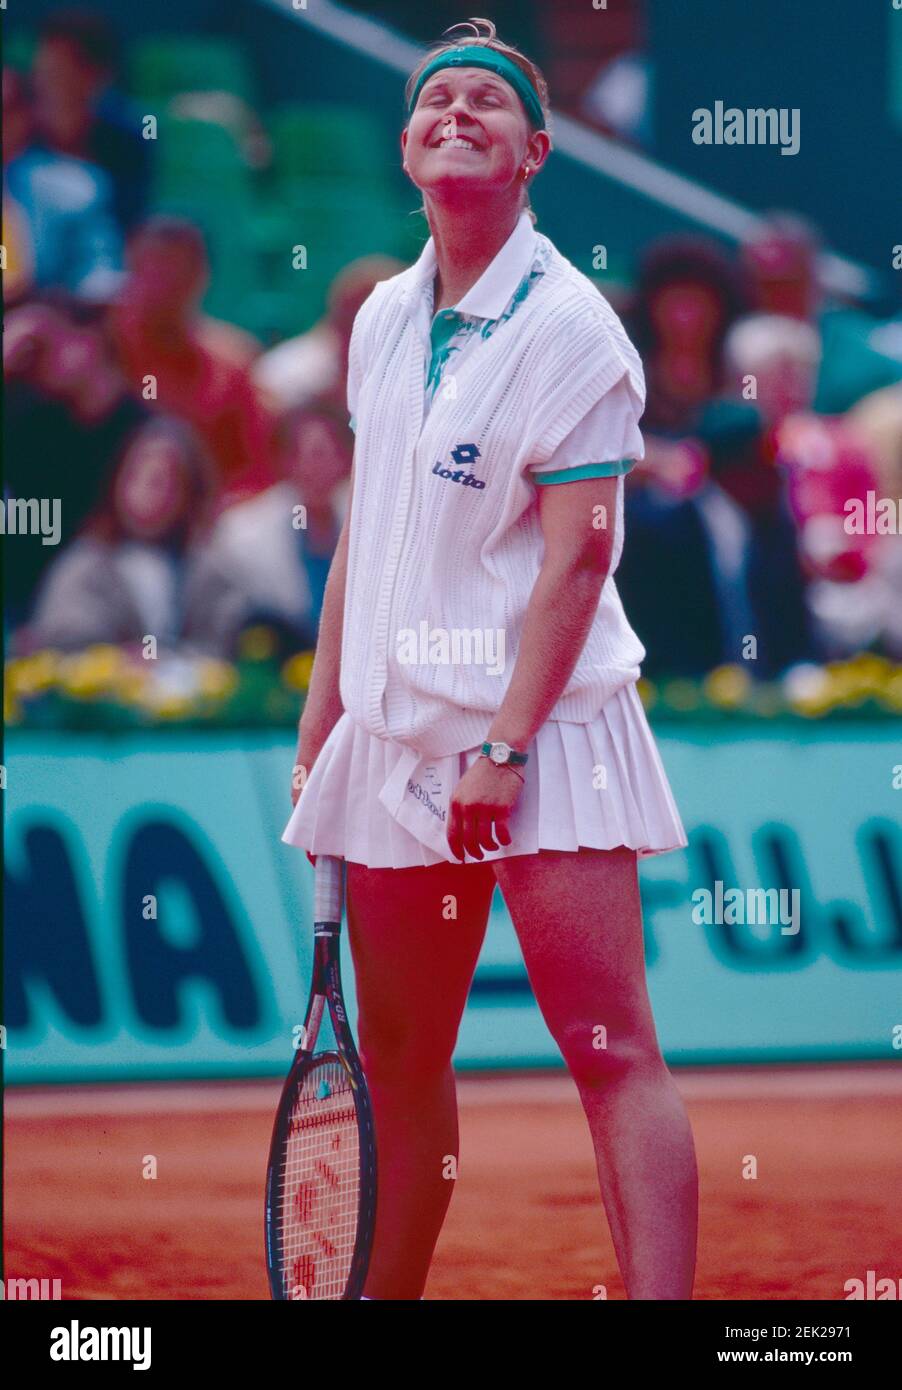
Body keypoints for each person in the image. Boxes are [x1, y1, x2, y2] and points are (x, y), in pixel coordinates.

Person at [281, 18, 696, 1301]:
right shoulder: (381, 319)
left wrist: (505, 746)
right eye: (434, 102)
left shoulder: (573, 326)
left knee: (606, 1044)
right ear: (407, 148)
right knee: (402, 1063)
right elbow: (369, 533)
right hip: (396, 743)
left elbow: (579, 561)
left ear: (536, 150)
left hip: (545, 734)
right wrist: (324, 720)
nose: (456, 113)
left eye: (487, 103)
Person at [109, 216, 273, 502]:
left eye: (174, 269)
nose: (160, 283)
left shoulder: (232, 363)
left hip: (200, 530)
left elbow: (256, 472)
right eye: (151, 266)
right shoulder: (98, 347)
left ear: (201, 277)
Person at [26, 417, 217, 651]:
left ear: (189, 496)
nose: (146, 493)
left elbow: (226, 638)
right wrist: (121, 660)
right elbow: (64, 638)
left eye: (162, 482)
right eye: (135, 477)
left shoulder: (202, 571)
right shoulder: (86, 565)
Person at [2, 66, 123, 302]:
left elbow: (99, 273)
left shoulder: (75, 190)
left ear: (26, 116)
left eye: (4, 111)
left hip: (42, 328)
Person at [32, 9, 151, 233]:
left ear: (97, 76)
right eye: (44, 66)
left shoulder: (129, 141)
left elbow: (128, 223)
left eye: (61, 70)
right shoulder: (18, 126)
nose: (46, 79)